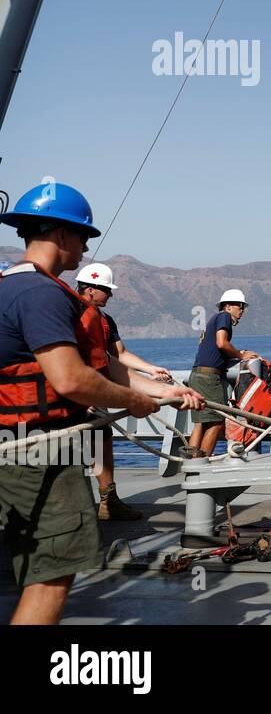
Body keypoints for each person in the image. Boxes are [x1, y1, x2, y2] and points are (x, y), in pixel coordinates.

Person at [0, 182, 203, 624]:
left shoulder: (10, 287)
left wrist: (163, 391)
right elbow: (70, 379)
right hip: (39, 453)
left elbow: (102, 365)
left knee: (34, 561)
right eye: (83, 237)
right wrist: (132, 401)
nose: (86, 247)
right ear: (61, 235)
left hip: (16, 444)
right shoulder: (43, 294)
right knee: (54, 570)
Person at [74, 263, 173, 521]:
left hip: (94, 392)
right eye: (106, 289)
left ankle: (108, 500)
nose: (111, 295)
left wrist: (150, 369)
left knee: (101, 440)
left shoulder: (105, 320)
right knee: (69, 448)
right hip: (74, 393)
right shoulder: (68, 314)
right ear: (90, 289)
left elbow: (118, 355)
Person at [185, 289, 258, 459]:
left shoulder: (213, 321)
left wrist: (237, 352)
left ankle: (191, 463)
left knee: (200, 423)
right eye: (240, 306)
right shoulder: (223, 317)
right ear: (229, 306)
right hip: (210, 378)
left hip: (197, 375)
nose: (242, 310)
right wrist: (241, 356)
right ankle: (202, 461)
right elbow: (221, 343)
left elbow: (217, 348)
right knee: (217, 422)